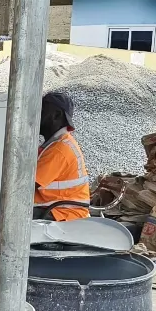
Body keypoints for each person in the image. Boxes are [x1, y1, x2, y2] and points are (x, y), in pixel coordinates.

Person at [34, 88, 91, 221]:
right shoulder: (56, 144)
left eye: (42, 111)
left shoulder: (59, 149)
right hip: (56, 208)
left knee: (8, 216)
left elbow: (24, 186)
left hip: (62, 213)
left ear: (57, 115)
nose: (36, 115)